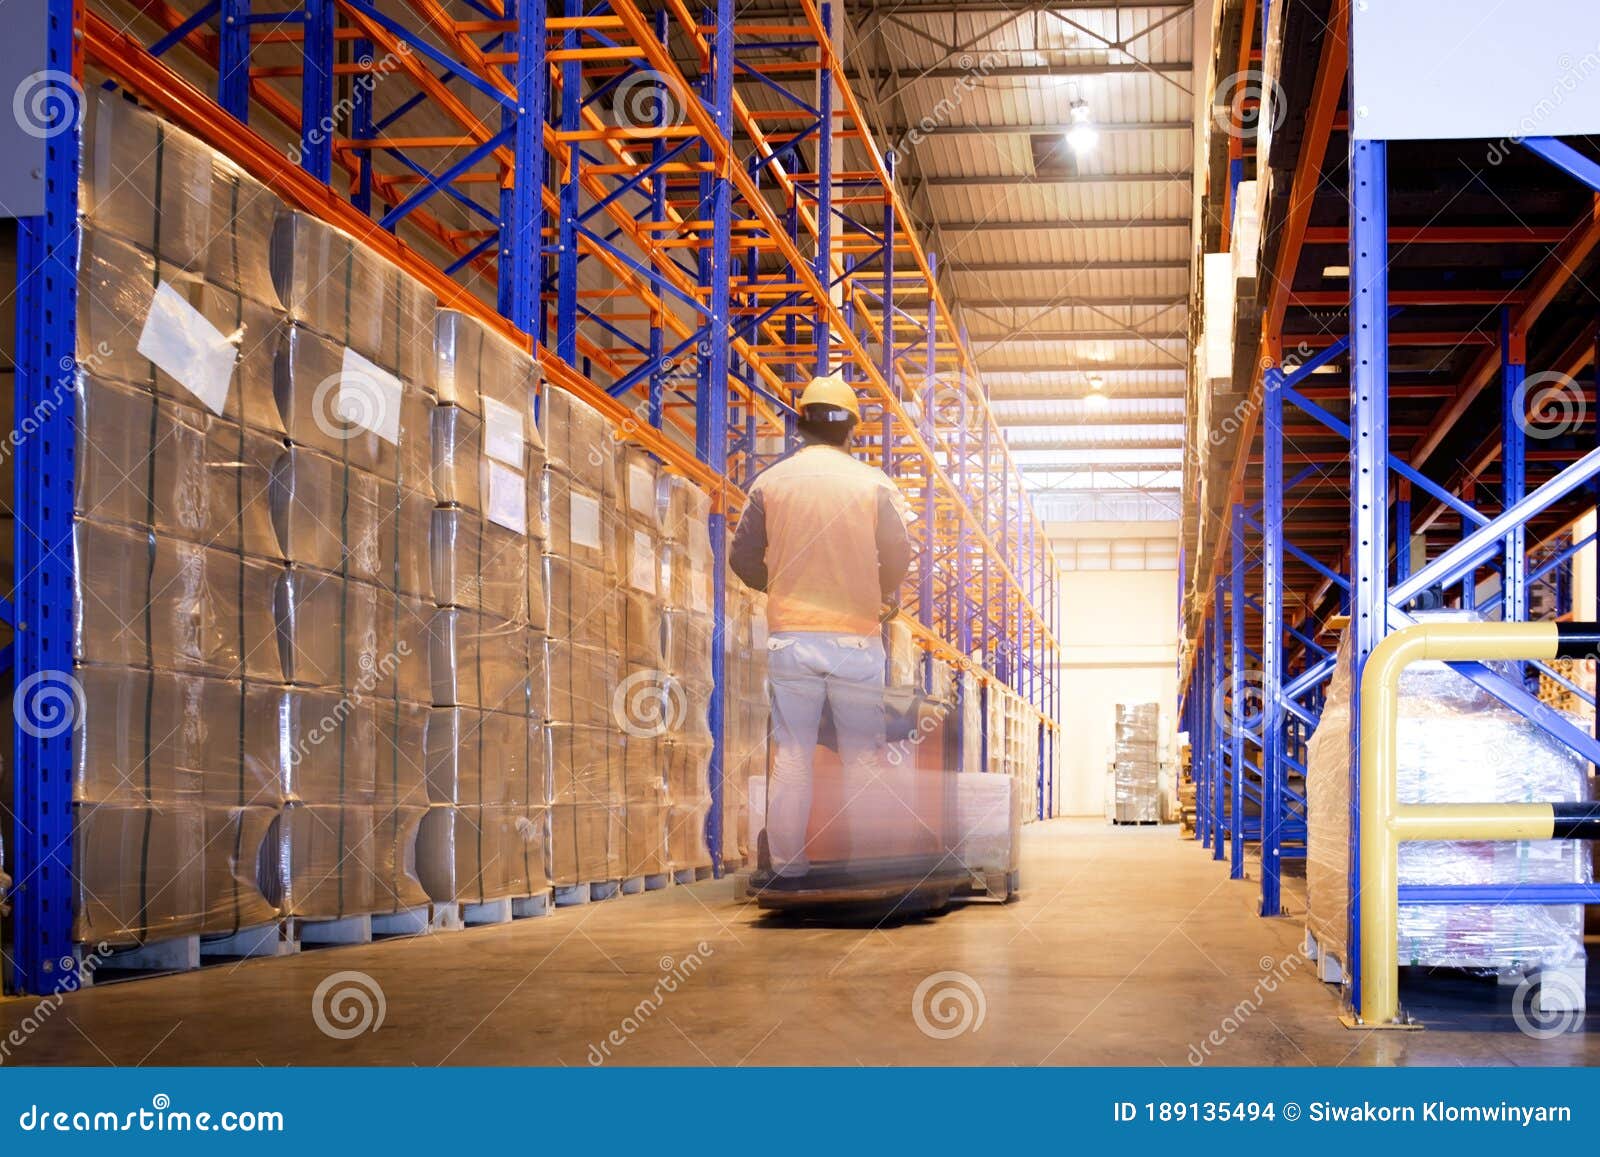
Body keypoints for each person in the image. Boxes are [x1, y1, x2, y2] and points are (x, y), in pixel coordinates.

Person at [729, 372, 911, 886]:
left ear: (800, 426)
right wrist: (878, 595)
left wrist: (785, 586)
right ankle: (868, 864)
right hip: (856, 635)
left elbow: (742, 559)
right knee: (861, 756)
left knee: (792, 755)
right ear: (851, 428)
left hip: (791, 638)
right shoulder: (874, 485)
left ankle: (789, 868)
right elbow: (899, 554)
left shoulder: (769, 484)